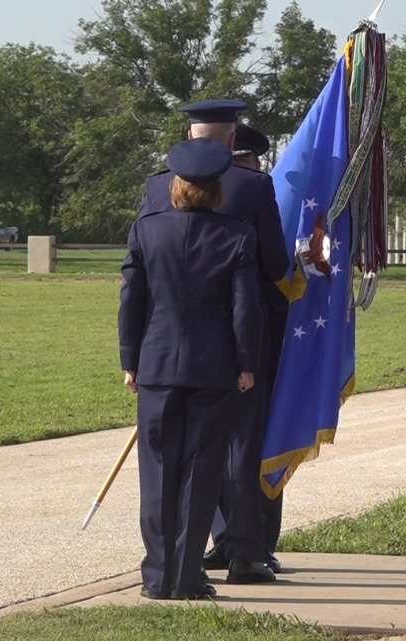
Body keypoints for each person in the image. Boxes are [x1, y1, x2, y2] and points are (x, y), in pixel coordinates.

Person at [139, 100, 289, 585]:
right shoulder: (255, 185)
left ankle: (173, 564)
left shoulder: (153, 187)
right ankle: (244, 549)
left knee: (167, 462)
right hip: (233, 346)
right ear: (231, 141)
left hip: (161, 349)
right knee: (237, 447)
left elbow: (137, 277)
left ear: (188, 134)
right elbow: (273, 264)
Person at [119, 136, 262, 600]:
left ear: (176, 184)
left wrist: (130, 361)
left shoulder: (146, 229)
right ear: (216, 188)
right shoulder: (237, 236)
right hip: (213, 368)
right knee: (201, 474)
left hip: (156, 366)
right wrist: (247, 364)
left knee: (158, 473)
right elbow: (245, 310)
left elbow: (132, 302)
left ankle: (158, 578)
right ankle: (184, 578)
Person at [205, 124, 288, 576]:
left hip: (195, 338)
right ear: (250, 158)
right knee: (251, 444)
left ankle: (223, 538)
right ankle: (252, 544)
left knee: (209, 443)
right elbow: (275, 264)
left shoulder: (176, 185)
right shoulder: (257, 189)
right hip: (251, 338)